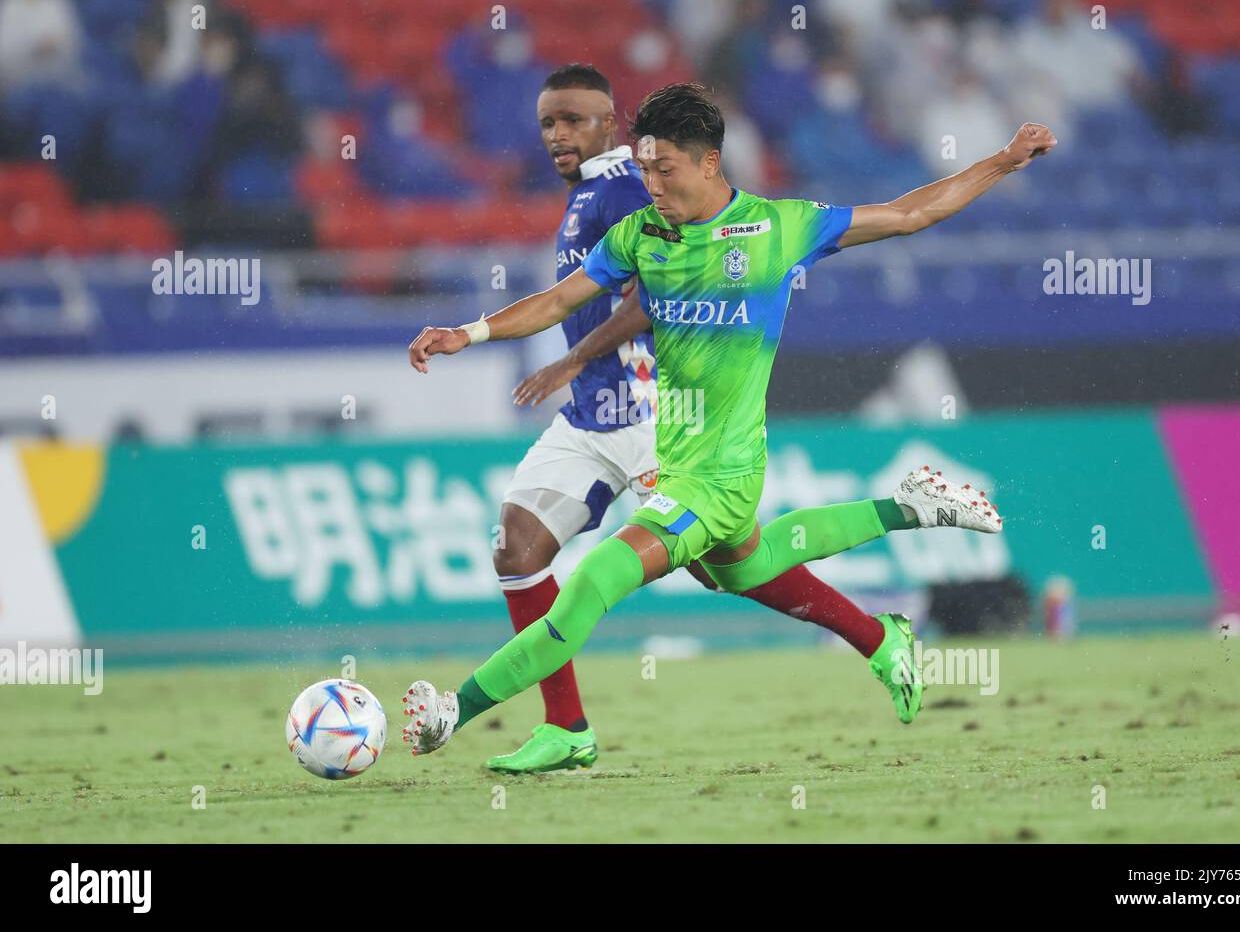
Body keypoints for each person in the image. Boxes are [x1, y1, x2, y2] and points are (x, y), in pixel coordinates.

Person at [404, 82, 1055, 759]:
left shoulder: (778, 228)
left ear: (709, 162)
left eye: (665, 169)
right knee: (750, 567)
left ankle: (458, 711)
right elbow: (560, 298)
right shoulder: (641, 234)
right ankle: (904, 524)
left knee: (594, 582)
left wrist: (1004, 160)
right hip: (684, 459)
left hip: (719, 477)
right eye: (644, 167)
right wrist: (469, 331)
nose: (651, 183)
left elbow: (908, 213)